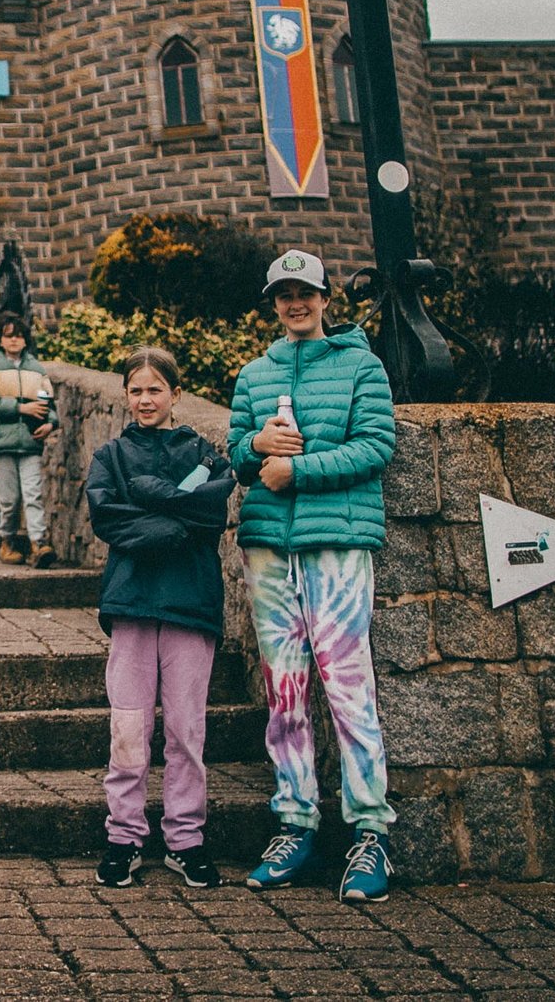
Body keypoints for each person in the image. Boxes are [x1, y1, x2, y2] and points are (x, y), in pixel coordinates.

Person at [226, 248, 399, 902]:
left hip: (336, 543)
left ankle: (371, 834)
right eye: (283, 293)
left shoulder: (361, 364)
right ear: (273, 302)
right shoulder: (254, 372)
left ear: (327, 297)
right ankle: (296, 823)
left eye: (306, 291)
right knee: (286, 695)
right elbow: (238, 451)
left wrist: (296, 469)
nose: (295, 302)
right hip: (269, 547)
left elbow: (376, 445)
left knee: (350, 691)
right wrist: (257, 447)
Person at [84, 345, 236, 888]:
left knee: (185, 730)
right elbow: (109, 517)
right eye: (136, 390)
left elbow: (211, 511)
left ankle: (185, 839)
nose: (145, 399)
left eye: (155, 389)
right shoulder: (110, 458)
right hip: (130, 602)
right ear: (126, 395)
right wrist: (175, 522)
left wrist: (154, 505)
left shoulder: (207, 456)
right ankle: (123, 837)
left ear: (176, 392)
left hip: (190, 603)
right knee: (127, 729)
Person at [0, 314, 58, 566]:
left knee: (33, 494)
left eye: (18, 335)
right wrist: (23, 409)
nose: (14, 340)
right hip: (2, 441)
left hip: (30, 441)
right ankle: (7, 542)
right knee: (9, 499)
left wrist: (50, 422)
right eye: (9, 335)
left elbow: (47, 402)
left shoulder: (36, 368)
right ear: (0, 338)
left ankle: (38, 544)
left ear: (25, 339)